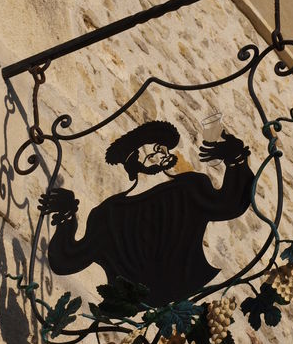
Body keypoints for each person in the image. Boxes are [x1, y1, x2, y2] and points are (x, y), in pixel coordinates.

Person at [38, 120, 253, 306]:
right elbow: (67, 260)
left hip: (184, 282)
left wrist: (236, 160)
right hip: (132, 303)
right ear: (134, 157)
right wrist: (66, 215)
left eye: (165, 149)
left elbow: (230, 204)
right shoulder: (109, 215)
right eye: (157, 148)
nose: (165, 154)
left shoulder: (189, 189)